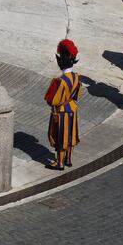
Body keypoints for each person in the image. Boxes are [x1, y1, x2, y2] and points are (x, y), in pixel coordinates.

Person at [45, 39, 83, 169]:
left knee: (60, 136)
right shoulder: (77, 77)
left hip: (61, 112)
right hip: (72, 109)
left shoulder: (59, 81)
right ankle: (68, 159)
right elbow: (78, 95)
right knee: (71, 135)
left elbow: (51, 100)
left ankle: (59, 162)